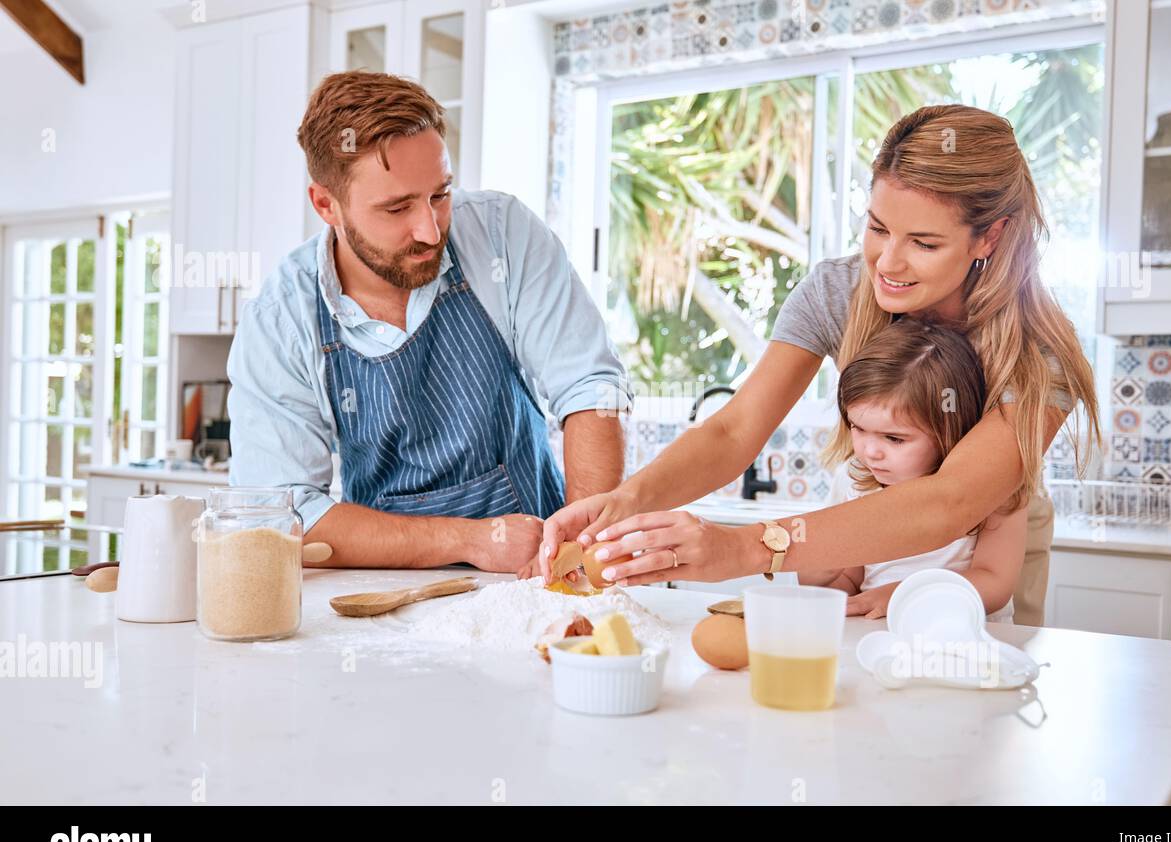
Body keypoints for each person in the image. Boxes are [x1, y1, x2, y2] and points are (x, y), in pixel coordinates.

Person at [540, 104, 1100, 617]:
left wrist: (743, 548)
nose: (888, 262)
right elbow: (734, 430)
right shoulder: (836, 292)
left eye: (924, 243)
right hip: (871, 521)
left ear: (989, 238)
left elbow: (949, 501)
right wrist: (623, 502)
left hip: (981, 546)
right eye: (878, 228)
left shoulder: (1039, 349)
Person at [228, 72, 628, 574]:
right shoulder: (280, 320)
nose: (430, 229)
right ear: (326, 204)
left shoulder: (503, 235)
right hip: (381, 596)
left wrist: (583, 545)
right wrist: (471, 541)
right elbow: (281, 514)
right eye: (397, 207)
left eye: (440, 195)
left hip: (532, 583)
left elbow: (591, 388)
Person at [798, 318, 1023, 622]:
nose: (870, 451)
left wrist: (903, 594)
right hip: (879, 637)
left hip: (967, 641)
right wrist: (819, 575)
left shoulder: (996, 487)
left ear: (948, 430)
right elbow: (850, 580)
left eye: (894, 438)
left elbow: (994, 582)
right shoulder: (854, 481)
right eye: (858, 428)